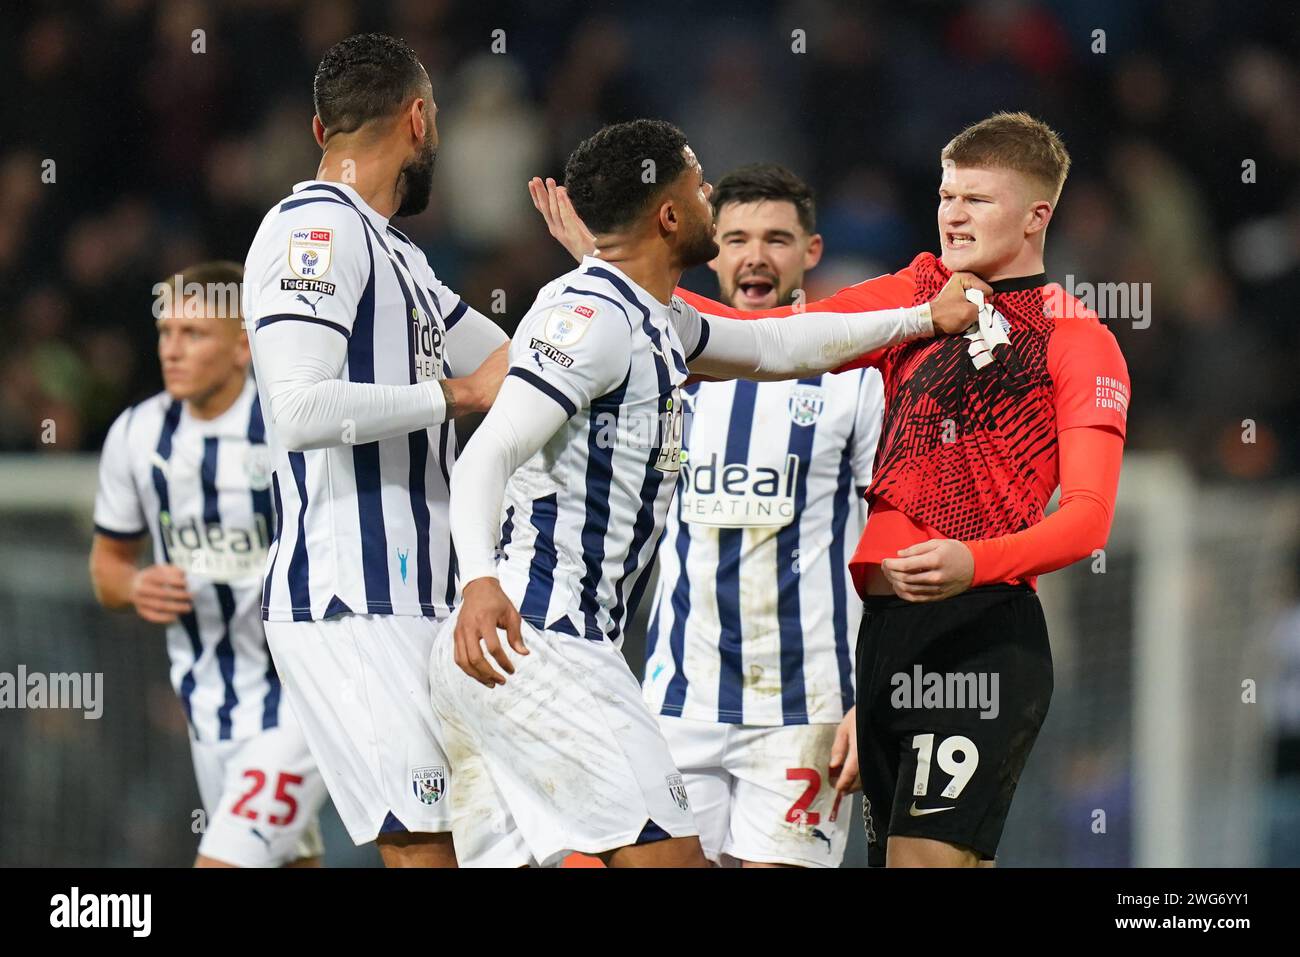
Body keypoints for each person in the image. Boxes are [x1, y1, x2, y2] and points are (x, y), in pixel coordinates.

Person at [532, 111, 1131, 868]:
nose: (953, 213)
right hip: (882, 637)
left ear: (1037, 213)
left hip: (982, 629)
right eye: (947, 195)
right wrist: (614, 266)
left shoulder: (1078, 337)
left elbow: (1087, 520)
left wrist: (974, 563)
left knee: (926, 860)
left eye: (977, 199)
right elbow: (769, 338)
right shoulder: (917, 293)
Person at [430, 119, 983, 867]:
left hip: (538, 649)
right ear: (667, 215)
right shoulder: (588, 319)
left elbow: (777, 346)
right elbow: (486, 453)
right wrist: (479, 582)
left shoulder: (660, 318)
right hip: (538, 641)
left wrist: (922, 317)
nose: (709, 197)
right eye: (698, 184)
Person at [536, 163, 879, 867]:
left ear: (810, 252)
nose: (756, 256)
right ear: (708, 248)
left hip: (804, 707)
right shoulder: (665, 366)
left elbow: (892, 538)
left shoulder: (855, 377)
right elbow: (632, 311)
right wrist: (596, 263)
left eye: (778, 238)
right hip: (676, 701)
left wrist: (869, 693)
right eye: (737, 237)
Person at [241, 33, 508, 867]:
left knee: (479, 838)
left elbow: (510, 366)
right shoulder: (312, 229)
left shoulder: (403, 258)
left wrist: (596, 284)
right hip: (347, 599)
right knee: (425, 847)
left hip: (423, 601)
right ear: (420, 120)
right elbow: (298, 408)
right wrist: (453, 396)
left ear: (323, 130)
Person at [91, 260, 327, 868]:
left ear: (243, 346)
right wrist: (135, 585)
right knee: (286, 862)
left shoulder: (287, 428)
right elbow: (108, 566)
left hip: (299, 698)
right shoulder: (137, 435)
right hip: (208, 703)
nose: (172, 350)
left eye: (193, 335)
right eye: (165, 333)